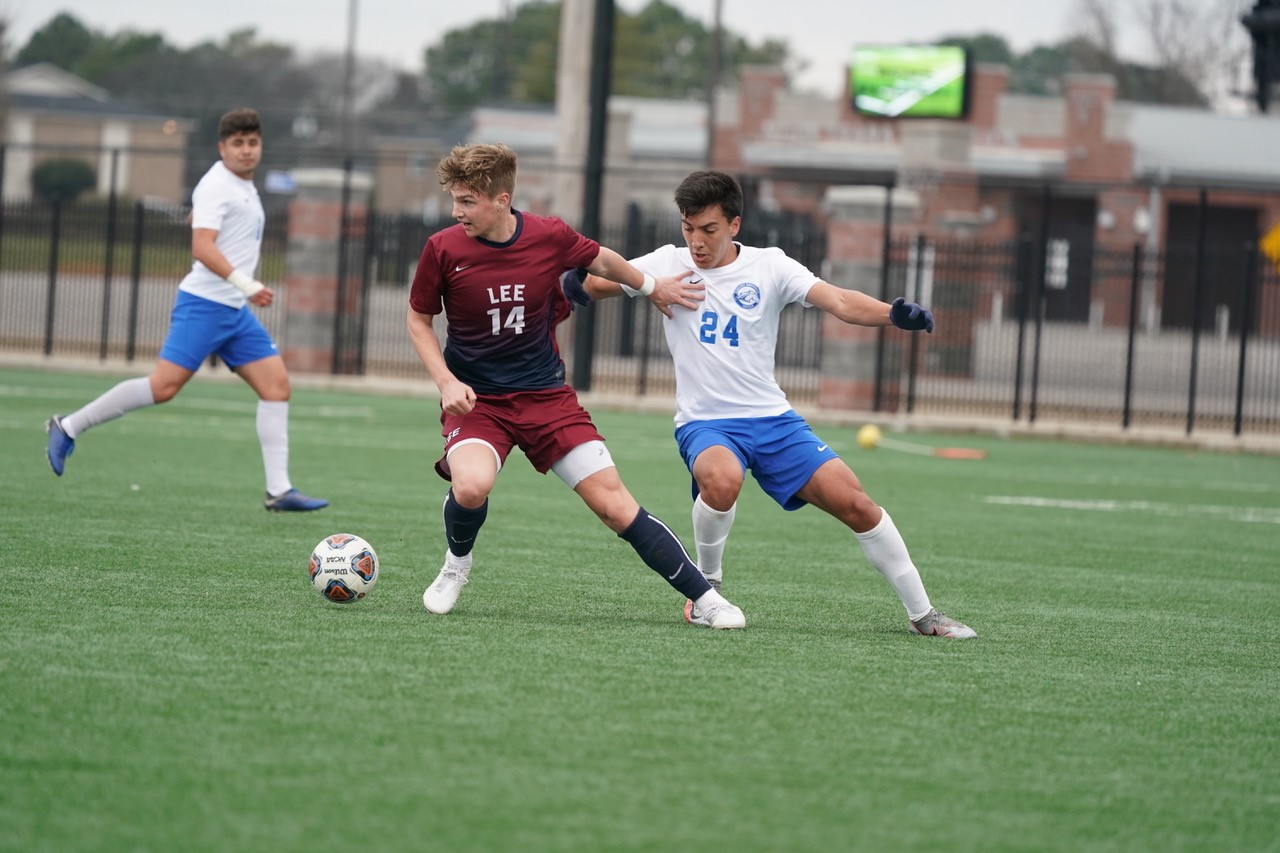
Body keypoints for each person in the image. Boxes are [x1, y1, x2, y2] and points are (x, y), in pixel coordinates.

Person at [571, 170, 976, 638]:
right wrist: (569, 285)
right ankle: (708, 587)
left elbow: (840, 301)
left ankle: (924, 615)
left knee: (858, 504)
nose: (696, 242)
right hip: (706, 423)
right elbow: (599, 282)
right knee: (722, 480)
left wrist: (892, 314)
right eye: (688, 227)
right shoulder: (667, 262)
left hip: (773, 421)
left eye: (709, 229)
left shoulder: (771, 266)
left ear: (735, 224)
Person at [406, 143, 744, 629]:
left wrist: (653, 288)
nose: (456, 211)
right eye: (455, 200)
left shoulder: (549, 235)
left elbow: (602, 259)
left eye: (467, 201)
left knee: (614, 506)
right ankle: (456, 564)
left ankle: (707, 599)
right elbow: (418, 319)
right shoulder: (443, 248)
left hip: (546, 398)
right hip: (478, 401)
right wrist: (446, 381)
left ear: (502, 199)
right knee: (472, 485)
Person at [44, 108, 327, 513]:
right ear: (222, 147)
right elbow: (202, 248)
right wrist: (248, 286)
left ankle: (279, 491)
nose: (247, 151)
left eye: (253, 143)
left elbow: (215, 228)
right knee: (163, 387)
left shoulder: (241, 184)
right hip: (206, 305)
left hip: (233, 311)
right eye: (238, 144)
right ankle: (67, 426)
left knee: (276, 387)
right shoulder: (218, 184)